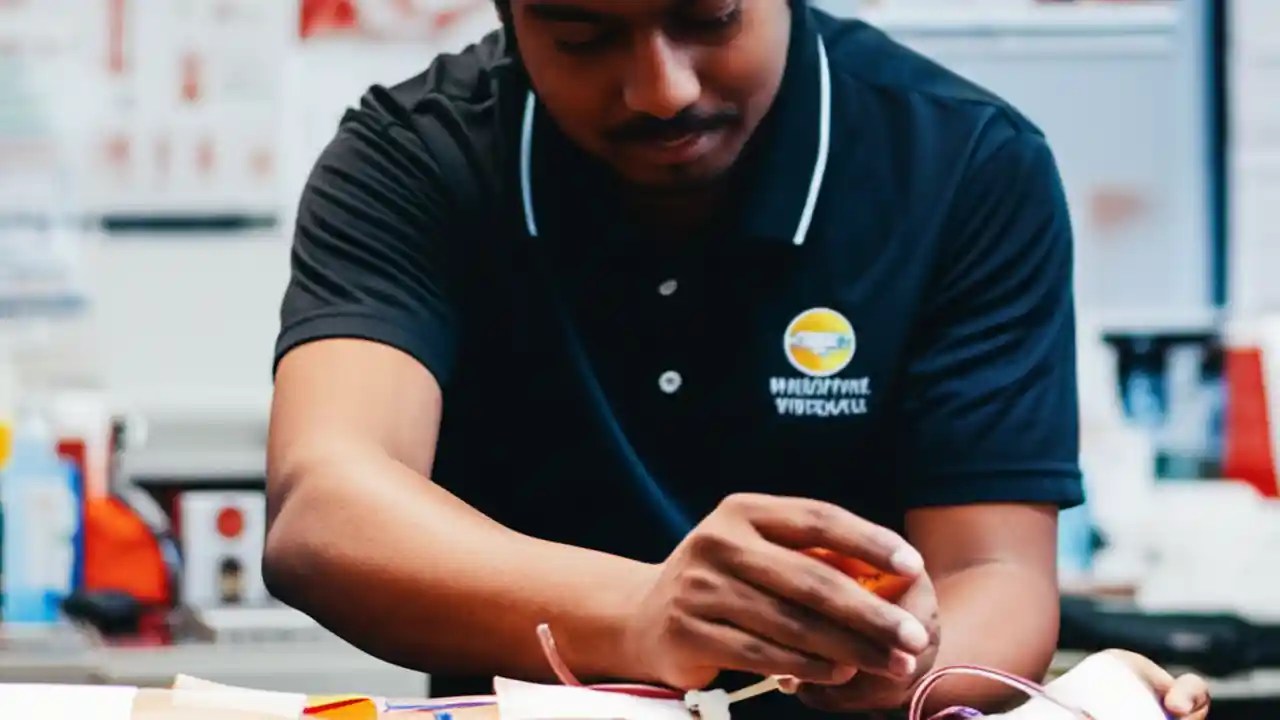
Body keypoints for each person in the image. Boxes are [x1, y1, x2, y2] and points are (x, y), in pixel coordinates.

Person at [265, 0, 1108, 717]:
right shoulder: (418, 158)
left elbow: (996, 572)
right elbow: (326, 510)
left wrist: (900, 661)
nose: (662, 90)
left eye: (708, 17)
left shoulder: (961, 164)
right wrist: (646, 613)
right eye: (584, 35)